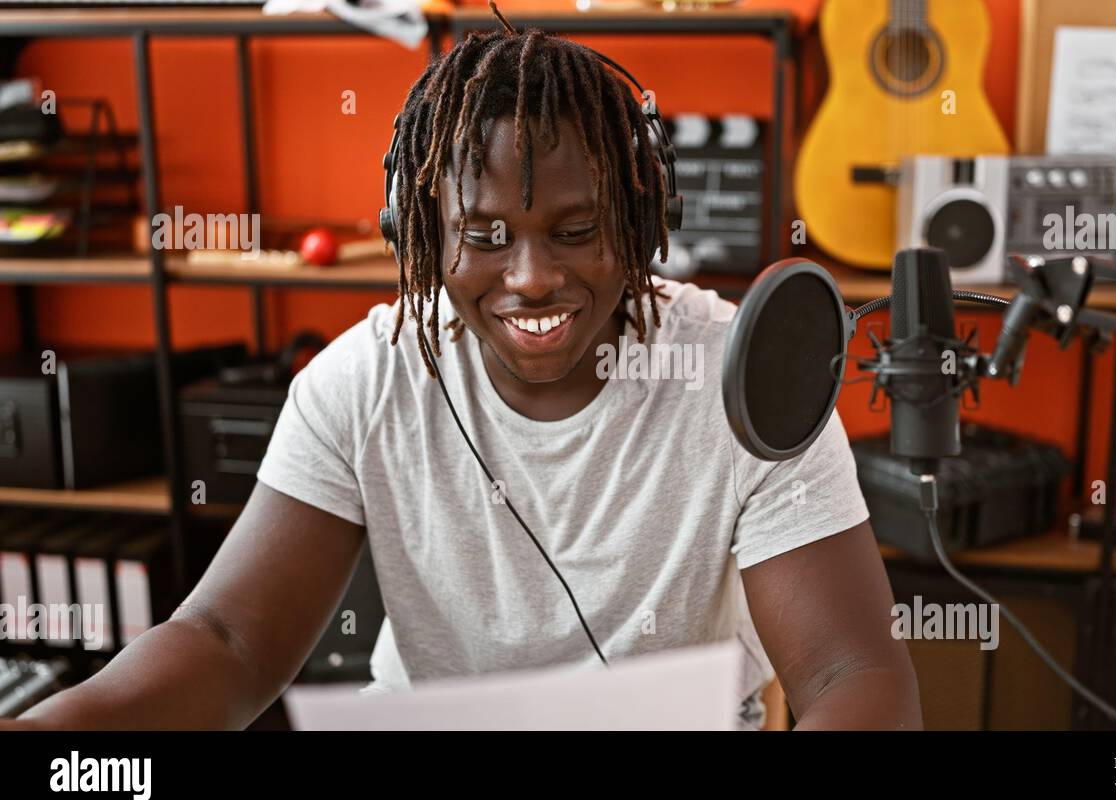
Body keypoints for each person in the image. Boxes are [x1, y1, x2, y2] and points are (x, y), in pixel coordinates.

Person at [10, 7, 921, 731]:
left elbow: (858, 673)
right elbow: (227, 640)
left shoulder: (745, 377)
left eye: (575, 231)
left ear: (642, 224)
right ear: (418, 237)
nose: (532, 278)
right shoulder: (364, 380)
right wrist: (63, 741)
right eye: (484, 236)